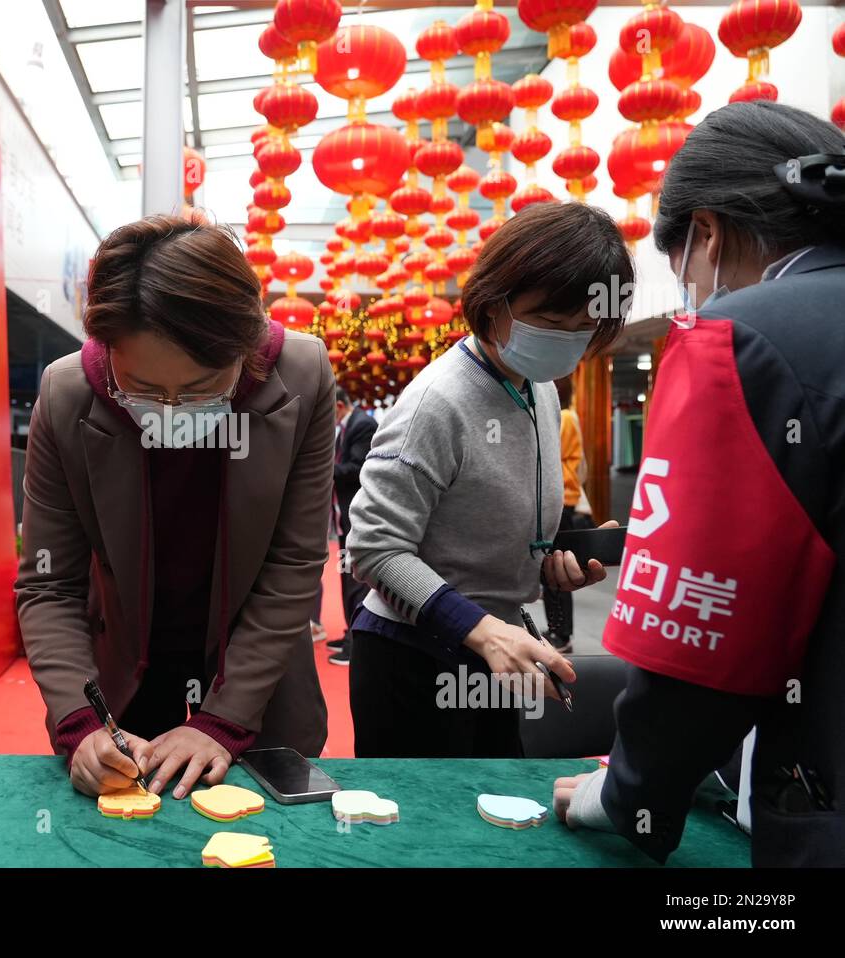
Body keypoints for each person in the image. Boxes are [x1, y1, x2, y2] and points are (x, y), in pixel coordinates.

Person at [554, 101, 845, 866]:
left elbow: (704, 636)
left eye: (682, 261)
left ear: (707, 237)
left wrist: (626, 792)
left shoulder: (744, 336)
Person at [15, 213, 332, 801]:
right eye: (141, 388)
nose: (170, 411)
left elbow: (292, 565)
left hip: (257, 691)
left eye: (200, 388)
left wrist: (222, 720)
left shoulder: (302, 374)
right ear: (108, 352)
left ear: (245, 349)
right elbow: (48, 584)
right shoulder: (68, 394)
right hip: (122, 697)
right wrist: (81, 724)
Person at [345, 201, 631, 758]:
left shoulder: (537, 386)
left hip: (498, 648)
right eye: (550, 324)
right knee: (428, 834)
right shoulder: (438, 401)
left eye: (584, 328)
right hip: (415, 658)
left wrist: (551, 562)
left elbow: (483, 523)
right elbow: (375, 550)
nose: (567, 341)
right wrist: (481, 628)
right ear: (493, 302)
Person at [539, 375, 594, 652]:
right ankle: (556, 629)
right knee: (553, 566)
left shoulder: (566, 417)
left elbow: (546, 449)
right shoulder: (564, 416)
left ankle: (562, 633)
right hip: (559, 496)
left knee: (558, 567)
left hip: (563, 498)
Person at [327, 387, 376, 666]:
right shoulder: (348, 425)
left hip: (358, 515)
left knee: (356, 581)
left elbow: (359, 468)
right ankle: (350, 634)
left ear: (340, 405)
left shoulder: (362, 424)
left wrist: (322, 468)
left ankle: (356, 643)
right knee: (346, 577)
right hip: (345, 517)